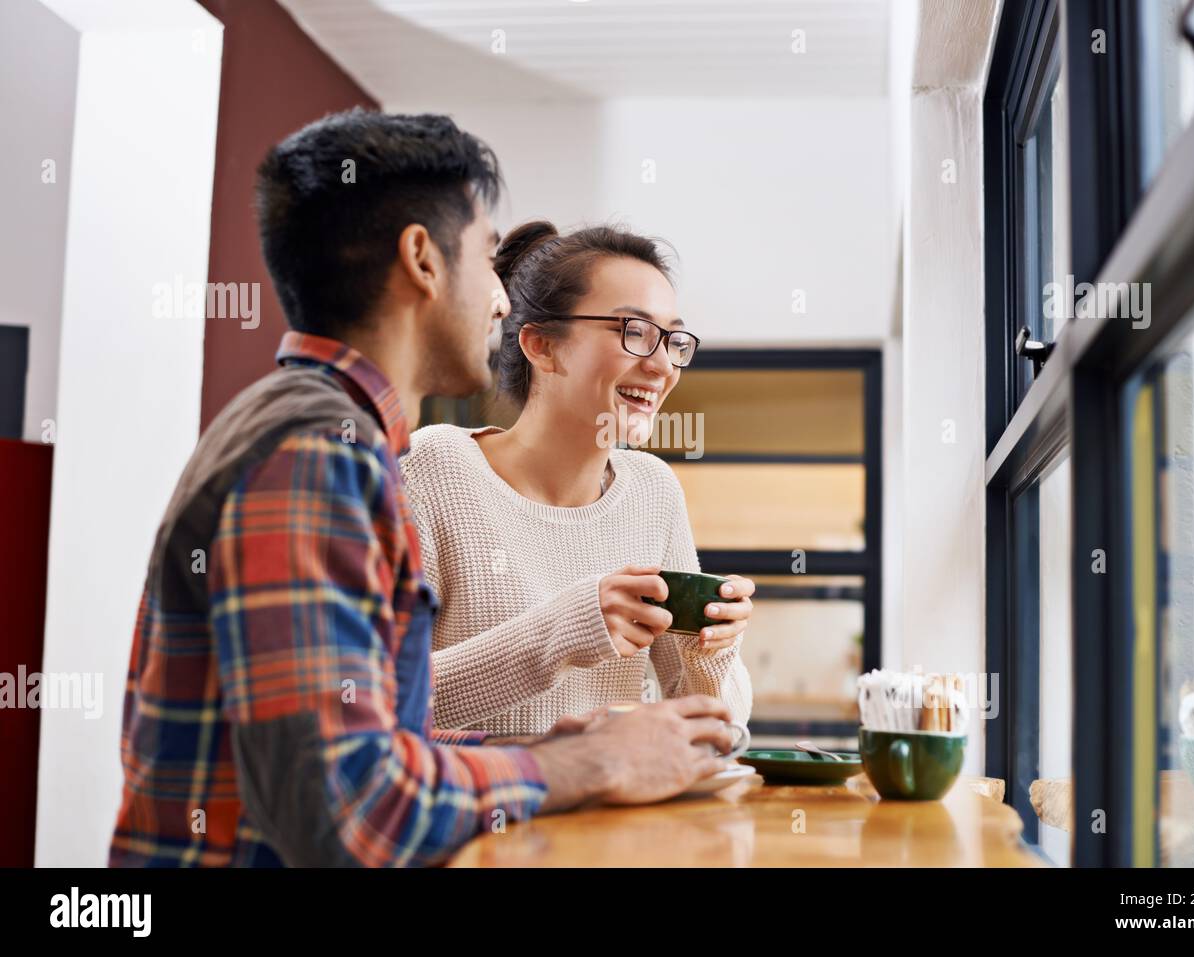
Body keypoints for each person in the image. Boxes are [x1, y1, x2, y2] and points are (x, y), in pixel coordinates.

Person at [109, 110, 736, 868]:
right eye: (484, 257)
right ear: (422, 260)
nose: (504, 302)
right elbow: (350, 810)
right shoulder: (318, 453)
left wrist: (564, 744)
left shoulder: (319, 433)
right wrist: (585, 763)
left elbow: (377, 748)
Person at [400, 221, 754, 737]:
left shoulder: (652, 488)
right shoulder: (434, 467)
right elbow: (377, 707)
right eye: (633, 332)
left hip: (612, 812)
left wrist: (713, 648)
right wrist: (565, 630)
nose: (662, 366)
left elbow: (717, 724)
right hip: (481, 813)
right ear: (541, 346)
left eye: (673, 340)